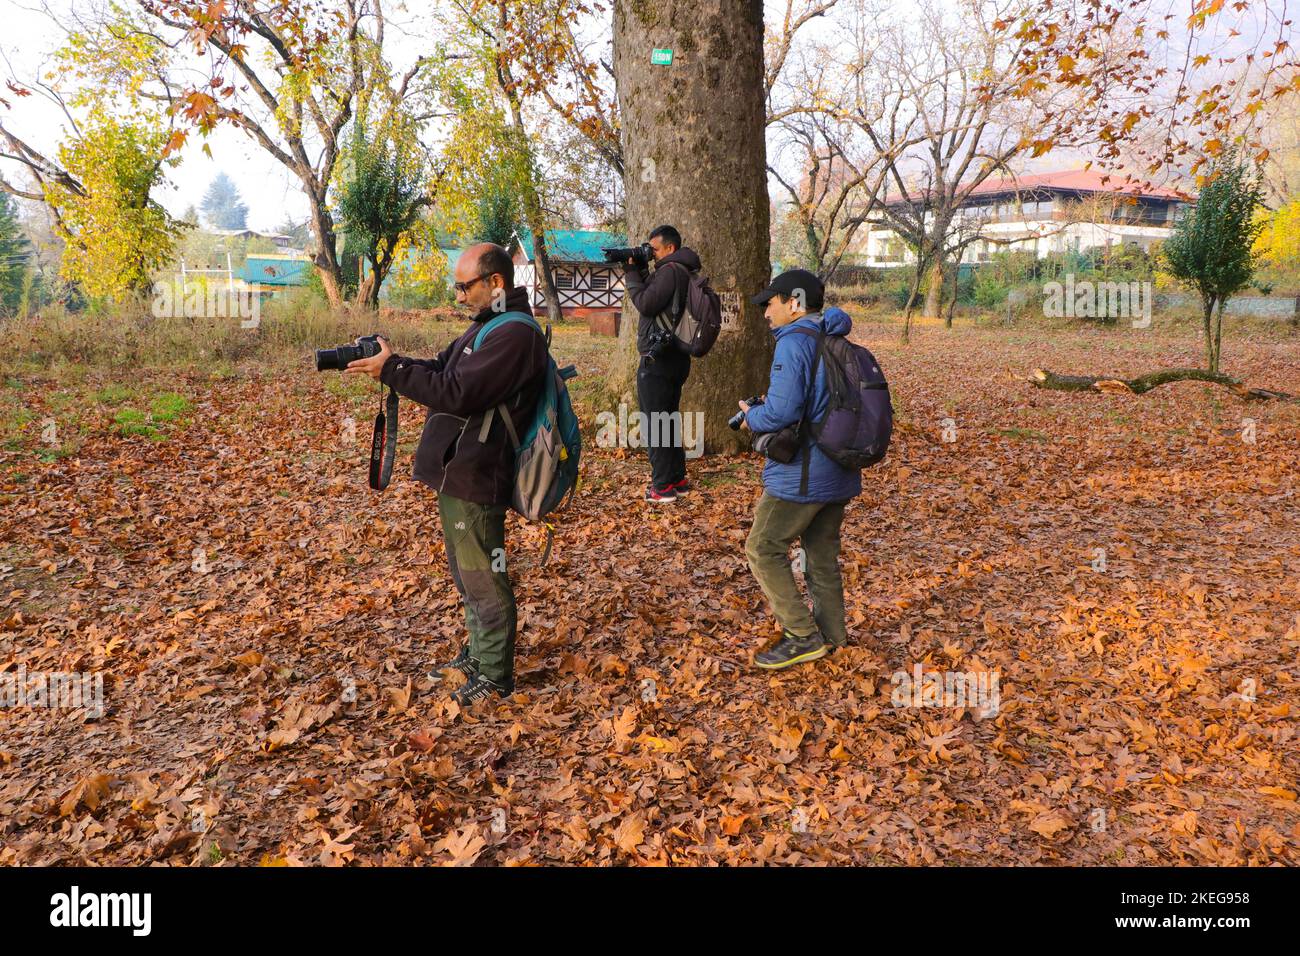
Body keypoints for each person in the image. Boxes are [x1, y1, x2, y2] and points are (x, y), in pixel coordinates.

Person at [344, 243, 548, 704]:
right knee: (466, 572)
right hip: (460, 471)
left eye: (464, 286)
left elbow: (458, 393)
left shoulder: (515, 336)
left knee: (483, 574)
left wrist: (393, 371)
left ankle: (495, 674)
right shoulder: (487, 328)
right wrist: (390, 362)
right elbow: (440, 369)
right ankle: (478, 655)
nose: (458, 296)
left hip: (480, 474)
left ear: (496, 283)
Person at [737, 269, 860, 669]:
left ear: (793, 302)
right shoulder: (833, 337)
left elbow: (784, 411)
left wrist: (751, 416)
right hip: (840, 469)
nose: (766, 313)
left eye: (770, 303)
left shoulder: (793, 343)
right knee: (820, 554)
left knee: (763, 547)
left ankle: (801, 635)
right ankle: (832, 636)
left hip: (803, 472)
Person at [623, 225, 703, 503]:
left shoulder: (670, 271)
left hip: (658, 359)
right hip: (675, 357)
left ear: (670, 248)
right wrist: (642, 271)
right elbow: (658, 300)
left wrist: (631, 273)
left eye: (654, 249)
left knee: (655, 424)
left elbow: (646, 303)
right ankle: (677, 478)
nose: (651, 254)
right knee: (668, 420)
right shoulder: (683, 271)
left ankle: (662, 488)